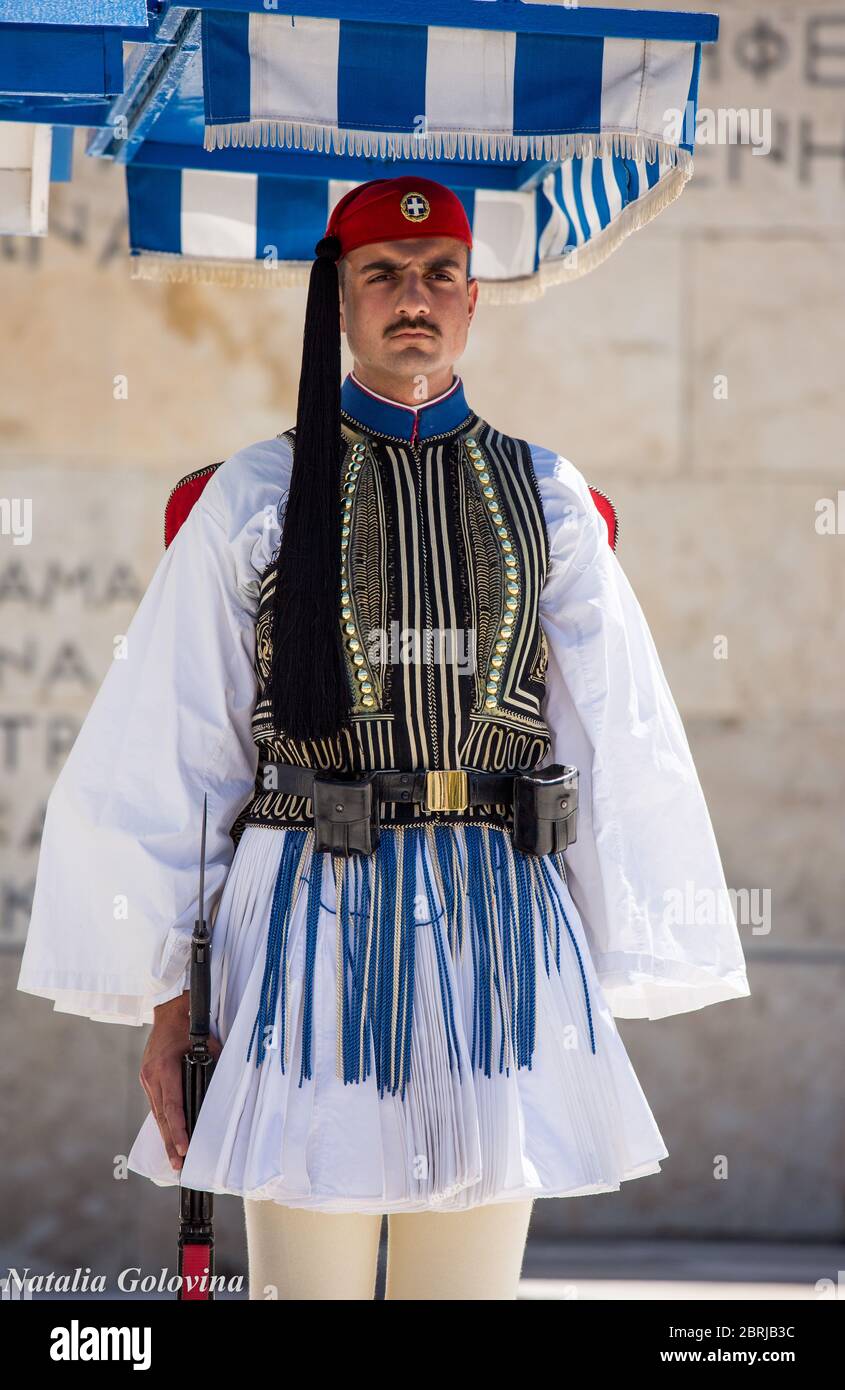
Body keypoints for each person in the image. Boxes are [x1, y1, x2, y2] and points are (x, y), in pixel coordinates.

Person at [17, 175, 750, 1301]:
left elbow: (618, 741)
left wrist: (607, 954)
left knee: (460, 1292)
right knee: (308, 1288)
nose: (414, 296)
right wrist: (170, 1002)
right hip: (308, 923)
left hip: (498, 933)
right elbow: (175, 751)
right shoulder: (251, 496)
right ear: (340, 303)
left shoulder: (549, 497)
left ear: (471, 300)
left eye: (439, 275)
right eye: (382, 275)